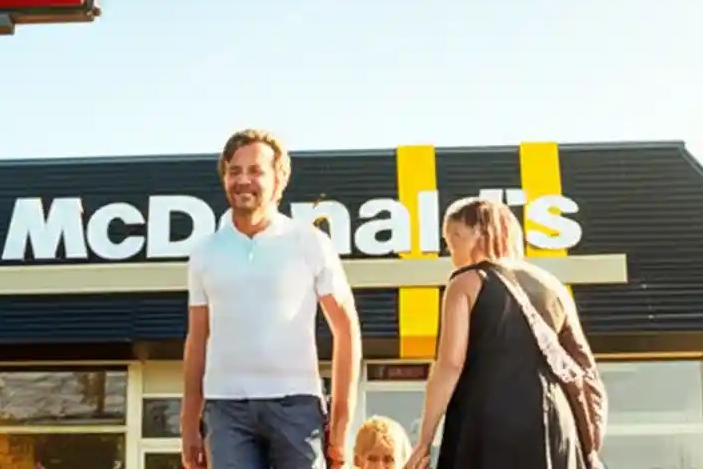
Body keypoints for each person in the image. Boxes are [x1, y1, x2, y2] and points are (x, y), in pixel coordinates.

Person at [181, 128, 362, 469]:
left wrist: (340, 423)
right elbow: (197, 339)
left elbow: (346, 330)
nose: (243, 180)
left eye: (255, 171)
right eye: (234, 171)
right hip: (226, 409)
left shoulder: (310, 242)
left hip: (297, 407)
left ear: (279, 180)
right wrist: (189, 423)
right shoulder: (205, 252)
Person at [404, 197, 602, 469]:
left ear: (480, 233)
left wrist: (425, 439)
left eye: (455, 236)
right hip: (555, 418)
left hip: (489, 418)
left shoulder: (466, 282)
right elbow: (581, 360)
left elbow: (450, 365)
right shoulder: (552, 285)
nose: (451, 250)